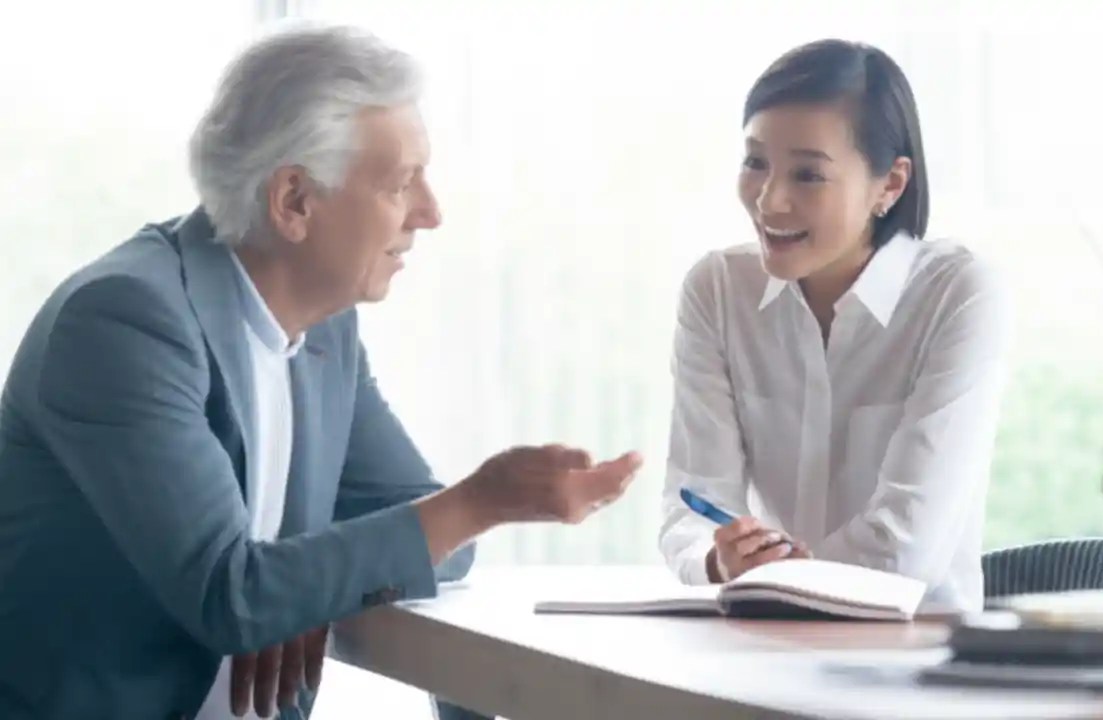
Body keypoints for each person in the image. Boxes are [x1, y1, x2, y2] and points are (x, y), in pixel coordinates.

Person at [0, 25, 640, 720]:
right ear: (294, 201)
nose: (431, 213)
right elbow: (232, 596)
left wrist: (307, 585)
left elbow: (428, 535)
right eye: (402, 183)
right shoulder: (124, 322)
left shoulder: (325, 327)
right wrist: (481, 500)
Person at [658, 39, 1011, 614]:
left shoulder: (958, 294)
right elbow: (692, 502)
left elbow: (906, 549)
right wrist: (722, 561)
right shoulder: (718, 290)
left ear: (890, 185)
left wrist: (779, 578)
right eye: (755, 163)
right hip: (758, 644)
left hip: (913, 665)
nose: (770, 200)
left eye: (808, 175)